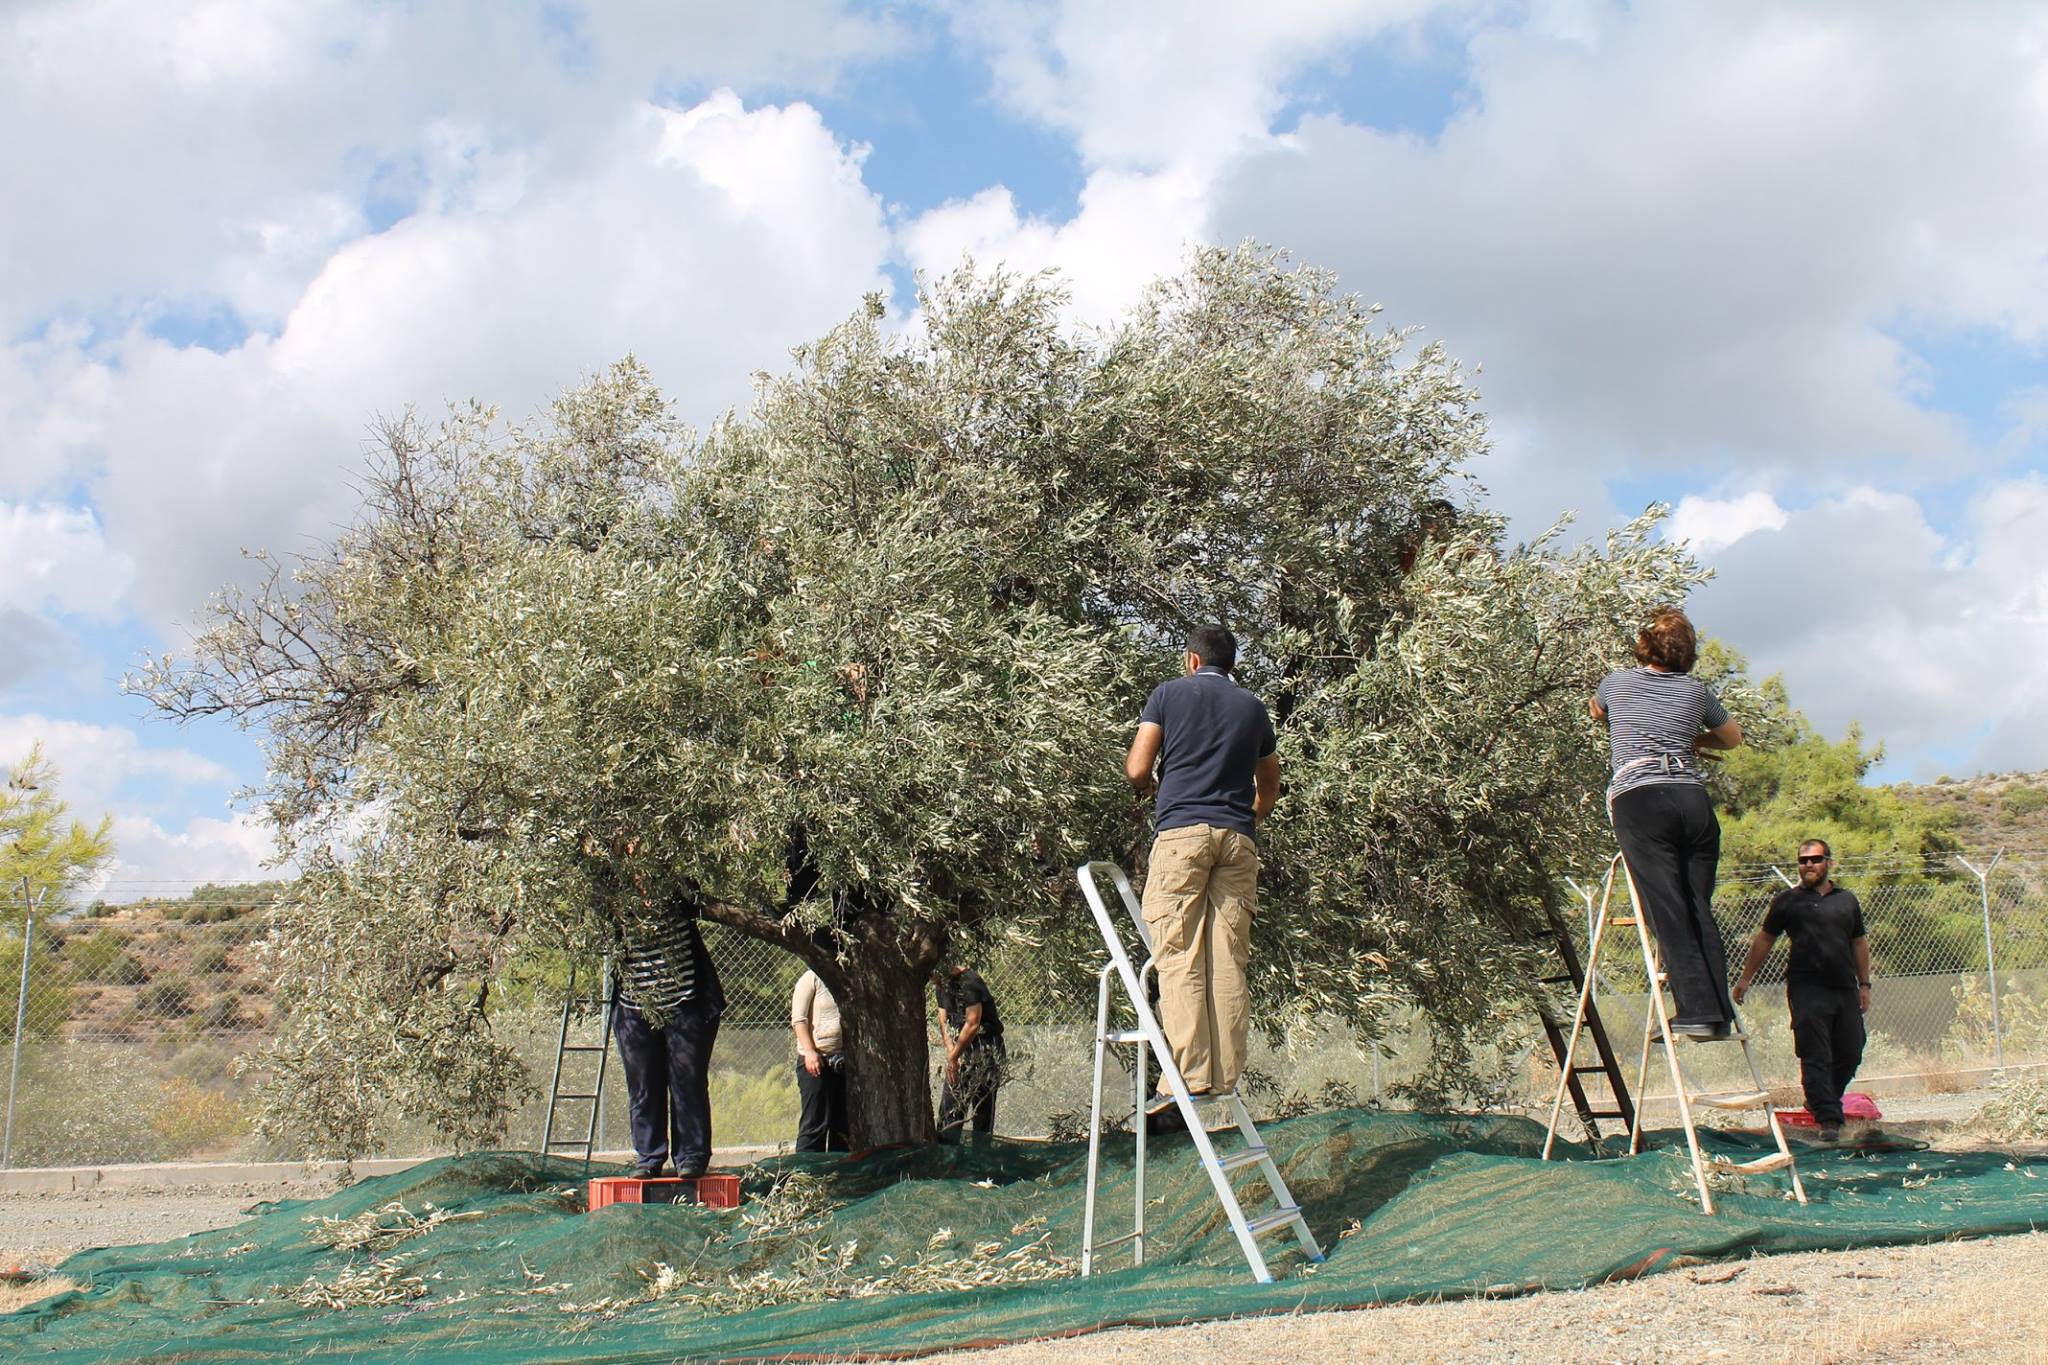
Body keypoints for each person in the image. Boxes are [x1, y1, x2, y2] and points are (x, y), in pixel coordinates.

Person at [1124, 625, 1280, 1123]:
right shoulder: (1253, 709)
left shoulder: (1168, 695)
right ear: (1229, 664)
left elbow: (1136, 767)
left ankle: (1187, 1078)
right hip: (1238, 842)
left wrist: (1152, 789)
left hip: (1182, 837)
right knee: (1228, 958)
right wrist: (1245, 820)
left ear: (1192, 660)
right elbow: (1270, 785)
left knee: (1179, 953)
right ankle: (1224, 1077)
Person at [1590, 607, 1743, 1039]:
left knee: (1668, 908)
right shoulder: (1697, 692)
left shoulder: (1616, 682)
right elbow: (1732, 738)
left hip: (1641, 797)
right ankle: (1717, 1013)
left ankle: (1695, 1013)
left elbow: (1596, 711)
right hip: (1692, 800)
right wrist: (1691, 738)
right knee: (1697, 906)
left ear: (1645, 645)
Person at [1733, 840, 1871, 1142]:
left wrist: (1864, 984)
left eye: (1815, 859)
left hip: (1844, 987)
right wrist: (1745, 979)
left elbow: (1858, 942)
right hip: (1807, 988)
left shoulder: (1847, 900)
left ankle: (1823, 1099)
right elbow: (1764, 939)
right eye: (1803, 860)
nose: (1808, 865)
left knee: (1852, 1048)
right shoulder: (1787, 901)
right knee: (1815, 1053)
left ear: (1829, 863)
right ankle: (1828, 1120)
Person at [602, 864, 726, 1179]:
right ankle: (648, 1158)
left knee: (688, 1082)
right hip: (634, 1006)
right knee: (643, 1085)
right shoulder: (615, 893)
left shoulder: (676, 886)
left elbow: (696, 888)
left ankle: (691, 1157)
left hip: (685, 1001)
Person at [932, 961, 1005, 1142]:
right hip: (960, 1050)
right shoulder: (942, 984)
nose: (932, 981)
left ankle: (979, 1162)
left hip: (986, 1050)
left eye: (931, 975)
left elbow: (973, 1023)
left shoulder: (970, 983)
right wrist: (952, 1053)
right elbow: (943, 1019)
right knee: (950, 1111)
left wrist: (953, 1058)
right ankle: (948, 1162)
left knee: (982, 1114)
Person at [791, 968, 850, 1153]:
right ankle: (804, 1175)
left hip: (845, 1061)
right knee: (815, 1123)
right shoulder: (811, 978)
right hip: (817, 1061)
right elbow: (799, 1020)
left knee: (842, 1127)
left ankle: (837, 1175)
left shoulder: (849, 976)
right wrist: (810, 1051)